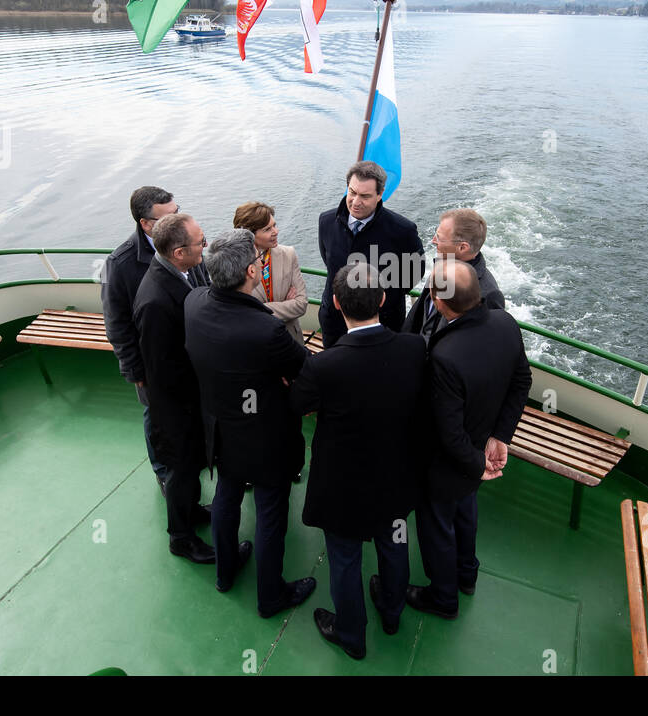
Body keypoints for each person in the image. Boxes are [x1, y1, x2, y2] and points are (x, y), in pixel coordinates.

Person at [290, 263, 427, 659]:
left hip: (342, 484)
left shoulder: (323, 365)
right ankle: (391, 611)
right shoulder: (413, 348)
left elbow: (298, 404)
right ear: (383, 301)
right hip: (396, 477)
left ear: (334, 303)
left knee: (345, 559)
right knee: (395, 544)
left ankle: (350, 634)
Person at [184, 229, 315, 617]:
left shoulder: (194, 303)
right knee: (271, 514)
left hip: (222, 431)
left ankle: (224, 573)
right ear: (251, 272)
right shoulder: (266, 330)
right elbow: (305, 370)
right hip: (265, 439)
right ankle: (270, 597)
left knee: (226, 495)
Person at [409, 259, 532, 620]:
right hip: (478, 449)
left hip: (451, 462)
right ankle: (467, 576)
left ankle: (443, 598)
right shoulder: (505, 323)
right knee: (465, 513)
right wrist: (499, 437)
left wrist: (478, 463)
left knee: (437, 528)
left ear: (439, 301)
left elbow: (447, 432)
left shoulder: (445, 356)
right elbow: (521, 381)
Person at [102, 186, 207, 496]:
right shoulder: (121, 264)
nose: (177, 219)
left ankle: (192, 462)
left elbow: (202, 284)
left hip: (190, 359)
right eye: (168, 217)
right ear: (145, 223)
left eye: (177, 211)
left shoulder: (186, 244)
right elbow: (116, 321)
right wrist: (135, 372)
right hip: (154, 365)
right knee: (157, 418)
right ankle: (165, 472)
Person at [131, 213, 214, 563]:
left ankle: (192, 511)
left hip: (187, 403)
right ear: (179, 252)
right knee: (180, 472)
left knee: (191, 466)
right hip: (178, 408)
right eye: (199, 242)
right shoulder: (155, 301)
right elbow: (163, 370)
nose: (205, 246)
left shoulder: (174, 273)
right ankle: (180, 537)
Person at [316, 161, 424, 349]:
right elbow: (329, 261)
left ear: (380, 195)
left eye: (365, 196)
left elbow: (414, 273)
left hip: (383, 321)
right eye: (352, 192)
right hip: (334, 319)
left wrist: (382, 298)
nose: (356, 202)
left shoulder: (402, 230)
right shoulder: (326, 221)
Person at [403, 208, 504, 344]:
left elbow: (482, 344)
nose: (433, 241)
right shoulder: (443, 264)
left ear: (463, 247)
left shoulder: (488, 294)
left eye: (439, 237)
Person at [233, 201, 308, 345]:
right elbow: (239, 313)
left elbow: (301, 304)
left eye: (274, 225)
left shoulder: (288, 254)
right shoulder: (234, 266)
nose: (276, 231)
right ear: (249, 235)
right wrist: (284, 304)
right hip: (256, 343)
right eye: (268, 229)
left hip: (291, 339)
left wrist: (258, 309)